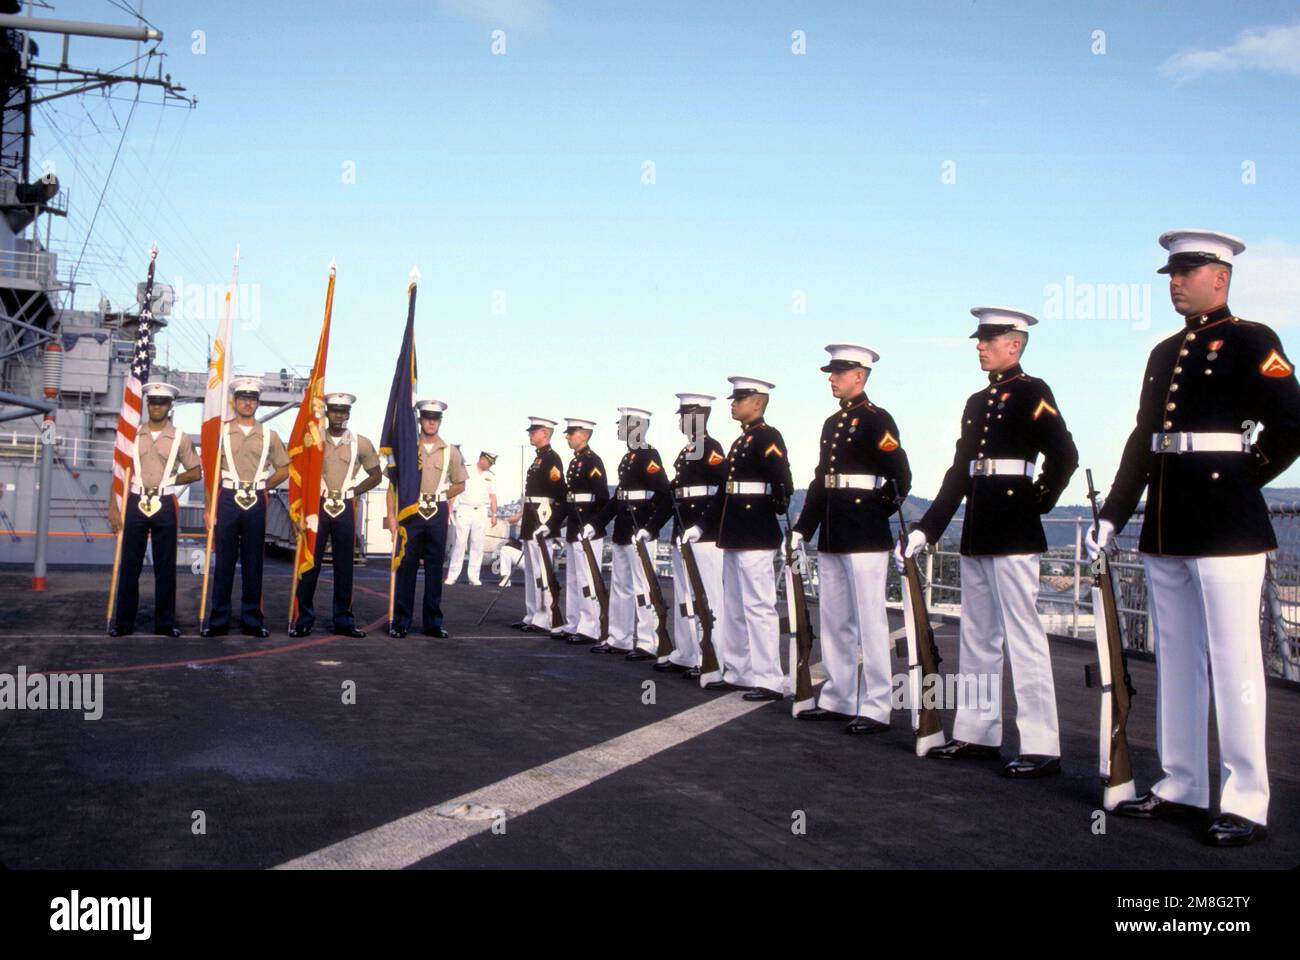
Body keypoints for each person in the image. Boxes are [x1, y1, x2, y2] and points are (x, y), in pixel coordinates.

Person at [1087, 229, 1300, 846]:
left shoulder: (1251, 340)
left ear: (1221, 277)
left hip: (1227, 524)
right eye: (1171, 275)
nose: (1175, 283)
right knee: (1177, 659)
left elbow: (1292, 423)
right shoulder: (1163, 352)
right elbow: (1141, 440)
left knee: (1235, 663)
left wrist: (1243, 476)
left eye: (1186, 272)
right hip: (1167, 520)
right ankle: (1181, 783)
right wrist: (1114, 514)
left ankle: (1246, 799)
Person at [897, 307, 1079, 777]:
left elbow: (1064, 454)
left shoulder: (1032, 392)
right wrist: (926, 529)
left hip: (1015, 528)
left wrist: (1038, 501)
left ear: (1014, 345)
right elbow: (959, 473)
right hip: (978, 526)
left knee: (1024, 636)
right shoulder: (976, 403)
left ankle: (1041, 745)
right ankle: (977, 733)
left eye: (988, 339)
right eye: (979, 340)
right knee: (978, 635)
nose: (979, 346)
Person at [791, 345, 911, 732]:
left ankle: (877, 705)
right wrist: (802, 529)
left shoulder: (878, 420)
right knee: (835, 619)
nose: (831, 378)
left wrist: (874, 514)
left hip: (864, 533)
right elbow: (820, 482)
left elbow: (900, 479)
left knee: (870, 622)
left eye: (839, 372)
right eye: (831, 372)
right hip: (833, 531)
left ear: (859, 375)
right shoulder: (831, 424)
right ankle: (841, 697)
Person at [685, 377, 794, 700]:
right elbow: (724, 493)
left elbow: (782, 482)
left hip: (756, 532)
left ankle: (769, 678)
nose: (733, 403)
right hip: (733, 531)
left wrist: (778, 510)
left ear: (757, 402)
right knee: (733, 606)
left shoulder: (767, 437)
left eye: (740, 398)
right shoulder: (741, 442)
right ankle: (739, 670)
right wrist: (703, 526)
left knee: (759, 606)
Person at [108, 381, 201, 637]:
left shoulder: (179, 438)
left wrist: (172, 480)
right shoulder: (132, 435)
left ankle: (165, 623)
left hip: (165, 502)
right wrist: (113, 508)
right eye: (153, 402)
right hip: (135, 501)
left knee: (165, 565)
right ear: (148, 404)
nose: (157, 406)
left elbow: (196, 472)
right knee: (130, 565)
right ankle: (123, 623)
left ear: (170, 406)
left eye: (162, 403)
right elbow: (118, 473)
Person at [201, 376, 291, 638]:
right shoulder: (220, 433)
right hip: (228, 497)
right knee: (225, 561)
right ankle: (218, 620)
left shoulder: (269, 435)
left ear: (257, 404)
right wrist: (209, 508)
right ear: (234, 401)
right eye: (242, 399)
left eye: (252, 399)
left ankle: (252, 620)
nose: (247, 403)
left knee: (253, 562)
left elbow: (284, 469)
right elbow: (211, 471)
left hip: (255, 499)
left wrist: (263, 485)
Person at [290, 392, 383, 638]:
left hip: (344, 506)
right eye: (334, 410)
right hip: (316, 506)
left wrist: (355, 491)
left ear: (349, 414)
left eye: (343, 411)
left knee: (345, 567)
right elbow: (297, 471)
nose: (339, 415)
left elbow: (376, 475)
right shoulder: (312, 439)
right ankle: (303, 620)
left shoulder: (360, 443)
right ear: (327, 413)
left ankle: (343, 620)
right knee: (310, 564)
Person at [649, 392, 727, 681]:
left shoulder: (711, 448)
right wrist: (652, 527)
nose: (681, 421)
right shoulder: (686, 453)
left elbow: (722, 493)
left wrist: (702, 528)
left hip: (703, 537)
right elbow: (673, 497)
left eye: (685, 416)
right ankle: (686, 652)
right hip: (683, 534)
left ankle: (713, 657)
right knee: (684, 597)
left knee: (707, 599)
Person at [584, 407, 672, 660]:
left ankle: (648, 641)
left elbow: (664, 495)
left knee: (643, 588)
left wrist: (649, 527)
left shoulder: (648, 456)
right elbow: (618, 498)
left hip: (639, 530)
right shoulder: (628, 458)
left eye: (622, 424)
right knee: (621, 586)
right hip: (623, 529)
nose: (618, 429)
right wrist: (597, 522)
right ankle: (619, 637)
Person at [387, 400, 468, 638]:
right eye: (427, 417)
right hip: (410, 513)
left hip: (436, 512)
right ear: (420, 419)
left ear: (440, 421)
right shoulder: (406, 449)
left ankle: (432, 622)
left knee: (434, 568)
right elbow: (393, 484)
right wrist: (392, 517)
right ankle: (401, 622)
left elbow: (461, 484)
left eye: (436, 418)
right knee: (406, 567)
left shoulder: (451, 451)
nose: (431, 422)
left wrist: (440, 496)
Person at [510, 417, 567, 633]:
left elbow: (559, 493)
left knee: (542, 570)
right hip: (531, 517)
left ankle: (545, 616)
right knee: (531, 571)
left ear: (545, 433)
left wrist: (551, 523)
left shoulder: (552, 459)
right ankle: (532, 613)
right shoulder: (538, 460)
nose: (530, 435)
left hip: (541, 518)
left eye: (534, 432)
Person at [560, 418, 610, 645]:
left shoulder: (593, 461)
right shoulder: (575, 462)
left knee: (587, 578)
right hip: (574, 526)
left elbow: (602, 498)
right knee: (573, 578)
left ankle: (590, 626)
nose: (568, 436)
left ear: (584, 435)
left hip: (587, 528)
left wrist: (593, 526)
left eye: (571, 432)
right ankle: (573, 622)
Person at [444, 451, 499, 586]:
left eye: (492, 463)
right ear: (481, 458)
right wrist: (449, 509)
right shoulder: (466, 469)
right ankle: (452, 575)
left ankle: (473, 577)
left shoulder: (490, 477)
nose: (490, 465)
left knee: (477, 544)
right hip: (464, 509)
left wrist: (494, 514)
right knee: (460, 543)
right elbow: (456, 490)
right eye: (489, 462)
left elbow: (493, 496)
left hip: (481, 511)